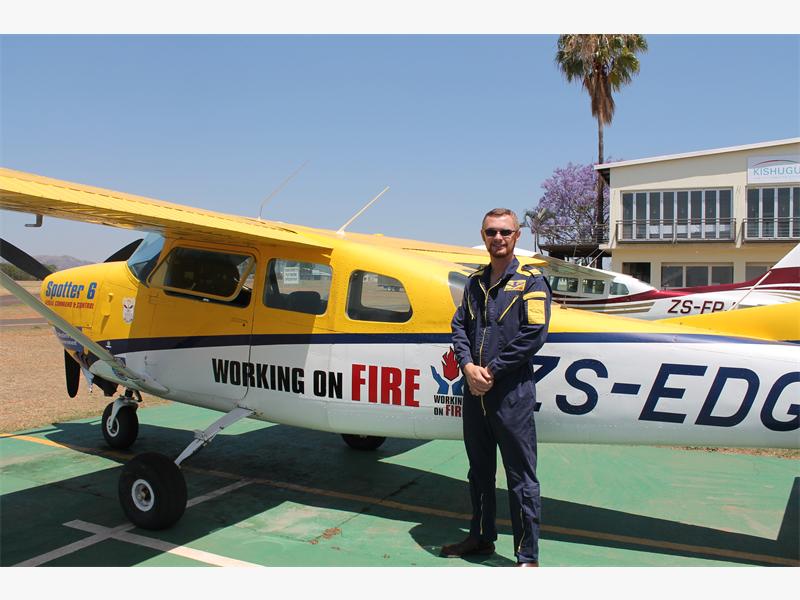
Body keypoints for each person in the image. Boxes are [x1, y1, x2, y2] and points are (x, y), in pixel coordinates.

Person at [442, 207, 551, 567]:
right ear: (483, 235)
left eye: (505, 232)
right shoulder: (474, 283)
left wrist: (491, 371)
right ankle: (481, 537)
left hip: (511, 395)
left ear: (517, 236)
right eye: (491, 232)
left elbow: (533, 334)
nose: (498, 238)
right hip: (476, 395)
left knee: (521, 478)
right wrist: (468, 367)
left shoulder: (532, 283)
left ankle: (527, 556)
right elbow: (459, 327)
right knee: (479, 470)